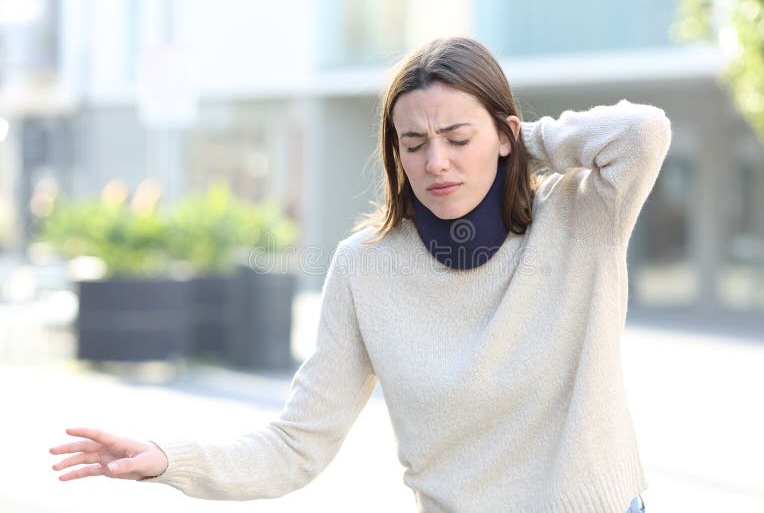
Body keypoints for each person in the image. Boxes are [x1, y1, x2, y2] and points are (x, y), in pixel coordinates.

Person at [50, 36, 669, 512]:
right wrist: (168, 459)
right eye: (414, 142)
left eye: (458, 137)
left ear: (506, 135)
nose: (437, 162)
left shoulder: (581, 216)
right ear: (394, 152)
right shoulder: (363, 267)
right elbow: (298, 444)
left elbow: (644, 132)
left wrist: (518, 142)